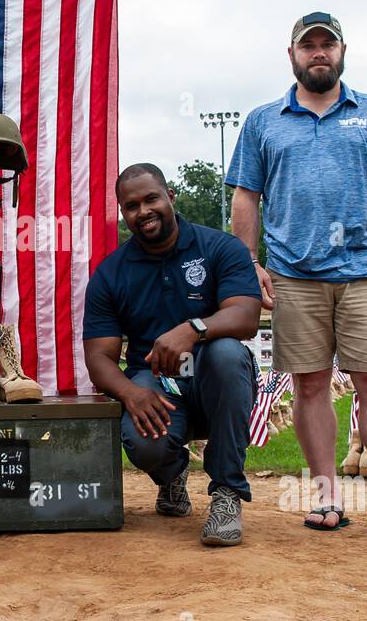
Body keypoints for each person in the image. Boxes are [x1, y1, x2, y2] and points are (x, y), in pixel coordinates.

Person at [227, 12, 367, 543]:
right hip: (292, 273)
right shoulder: (263, 121)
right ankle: (327, 496)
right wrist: (249, 262)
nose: (319, 52)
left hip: (365, 271)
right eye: (308, 45)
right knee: (310, 384)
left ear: (342, 51)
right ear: (292, 55)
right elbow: (245, 196)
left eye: (327, 44)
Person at [83, 164, 261, 546]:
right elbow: (98, 357)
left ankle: (227, 493)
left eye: (151, 199)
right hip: (157, 381)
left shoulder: (219, 247)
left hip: (215, 376)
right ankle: (171, 474)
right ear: (123, 212)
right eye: (132, 206)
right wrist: (131, 393)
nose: (143, 211)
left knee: (227, 354)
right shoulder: (111, 273)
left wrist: (193, 329)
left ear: (170, 197)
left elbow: (247, 317)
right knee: (143, 442)